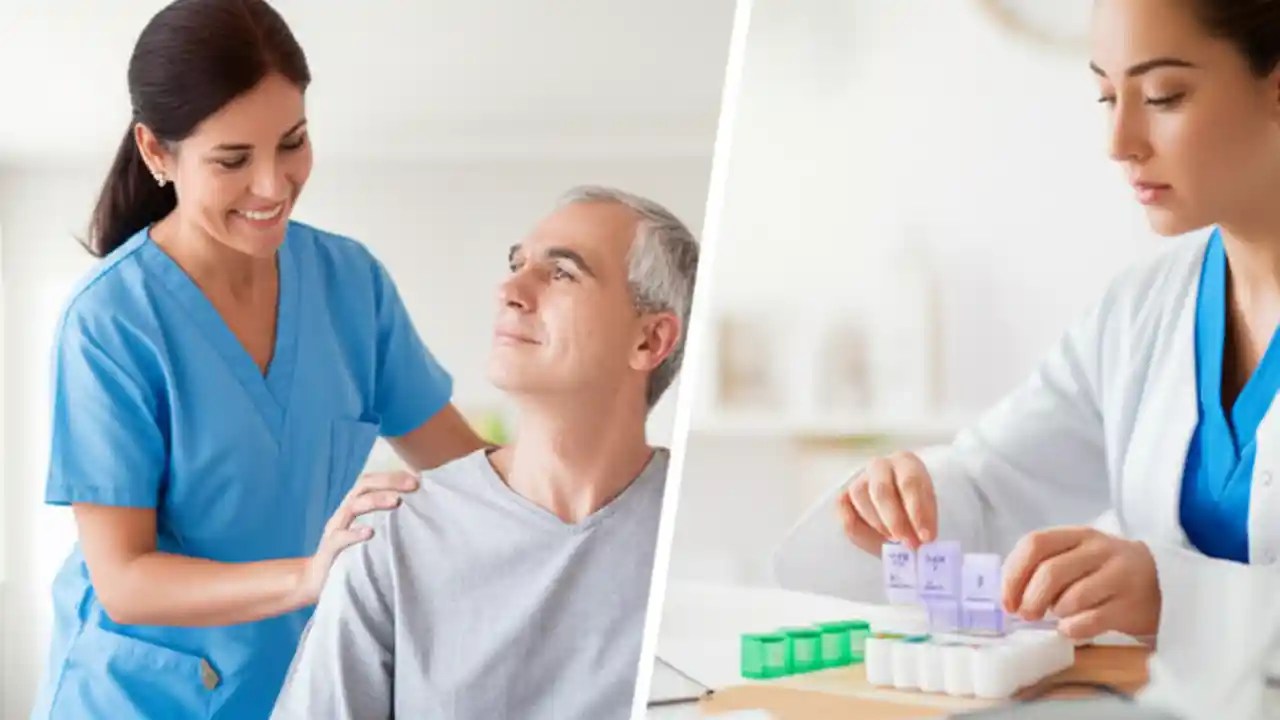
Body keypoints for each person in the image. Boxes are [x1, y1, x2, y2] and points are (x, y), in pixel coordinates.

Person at [776, 0, 1280, 652]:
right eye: (1107, 97)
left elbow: (1183, 600)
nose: (1119, 143)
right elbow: (994, 486)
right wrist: (909, 499)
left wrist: (1179, 598)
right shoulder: (1141, 312)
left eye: (1163, 96)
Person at [30, 1, 485, 717]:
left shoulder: (350, 286)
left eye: (292, 142)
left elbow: (464, 470)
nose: (273, 186)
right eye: (233, 160)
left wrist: (598, 490)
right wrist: (309, 576)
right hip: (133, 698)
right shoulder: (112, 322)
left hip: (284, 686)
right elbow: (125, 580)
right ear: (158, 153)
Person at [269, 186, 699, 720]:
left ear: (650, 340)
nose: (510, 290)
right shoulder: (395, 535)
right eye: (517, 264)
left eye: (562, 273)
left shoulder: (690, 527)